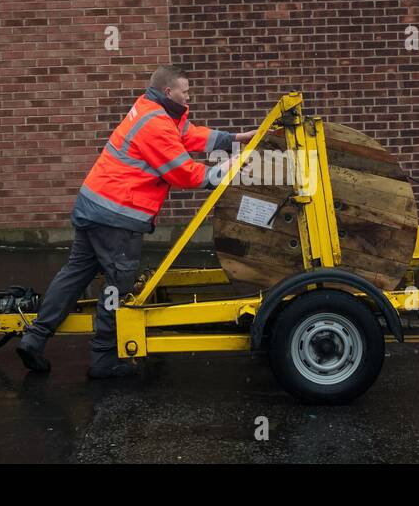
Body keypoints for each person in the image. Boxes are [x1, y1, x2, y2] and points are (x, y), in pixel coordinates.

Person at [16, 66, 254, 378]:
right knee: (118, 284)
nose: (190, 95)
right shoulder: (156, 124)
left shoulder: (152, 110)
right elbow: (183, 173)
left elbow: (189, 134)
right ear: (169, 92)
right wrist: (231, 167)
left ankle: (34, 338)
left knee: (75, 273)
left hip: (94, 205)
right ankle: (103, 360)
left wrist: (234, 139)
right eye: (186, 91)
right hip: (118, 215)